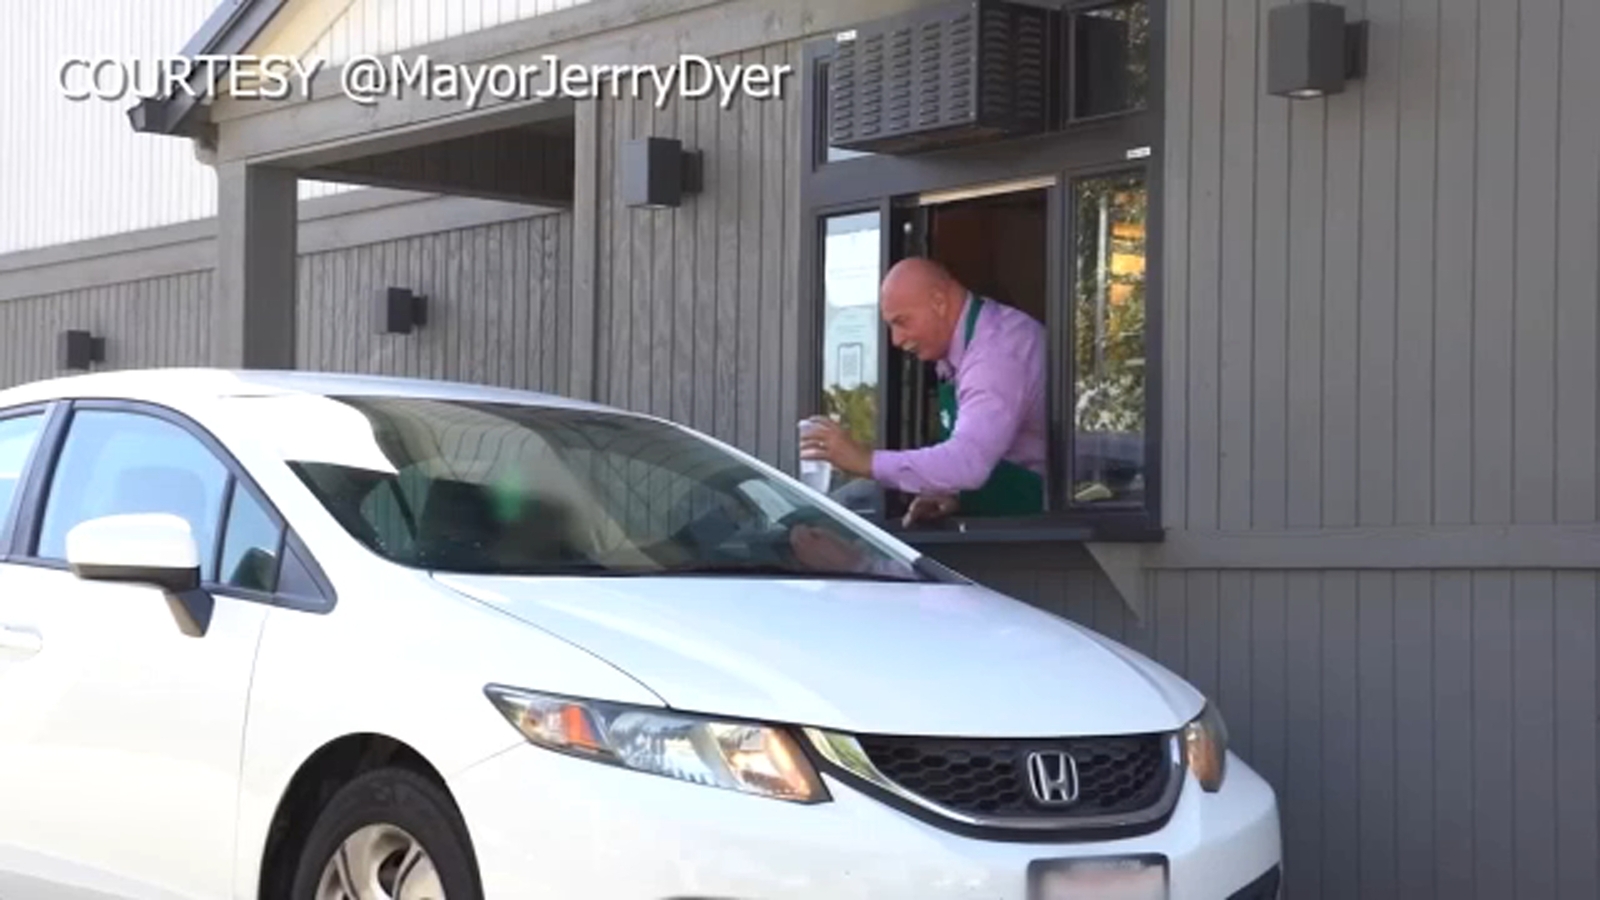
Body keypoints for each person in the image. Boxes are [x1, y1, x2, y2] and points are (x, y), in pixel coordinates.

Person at [801, 257, 1047, 525]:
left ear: (939, 302)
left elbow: (968, 463)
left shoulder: (995, 354)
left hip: (1043, 531)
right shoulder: (963, 348)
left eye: (902, 321)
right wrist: (953, 497)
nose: (896, 340)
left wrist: (865, 461)